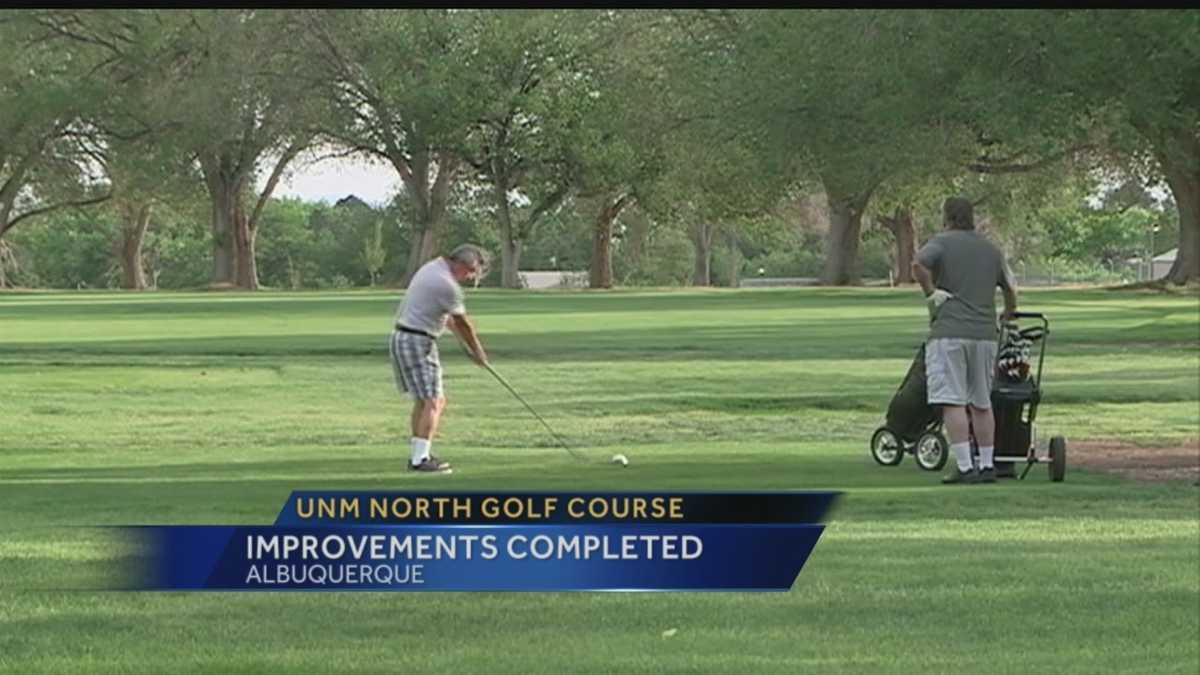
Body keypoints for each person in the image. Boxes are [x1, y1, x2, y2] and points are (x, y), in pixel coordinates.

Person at [912, 198, 1018, 484]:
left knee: (952, 401)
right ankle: (986, 465)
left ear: (946, 216)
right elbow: (1009, 288)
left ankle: (964, 465)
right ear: (972, 217)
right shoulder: (991, 249)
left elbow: (919, 264)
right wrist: (1007, 315)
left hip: (949, 332)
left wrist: (931, 292)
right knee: (982, 402)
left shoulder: (942, 242)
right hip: (985, 334)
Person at [389, 244, 491, 474]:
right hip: (417, 341)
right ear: (465, 265)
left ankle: (418, 454)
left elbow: (448, 320)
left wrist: (465, 346)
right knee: (435, 401)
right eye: (471, 273)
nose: (469, 278)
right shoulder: (447, 284)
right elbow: (463, 323)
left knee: (424, 400)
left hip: (404, 337)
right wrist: (478, 352)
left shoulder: (433, 267)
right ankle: (420, 460)